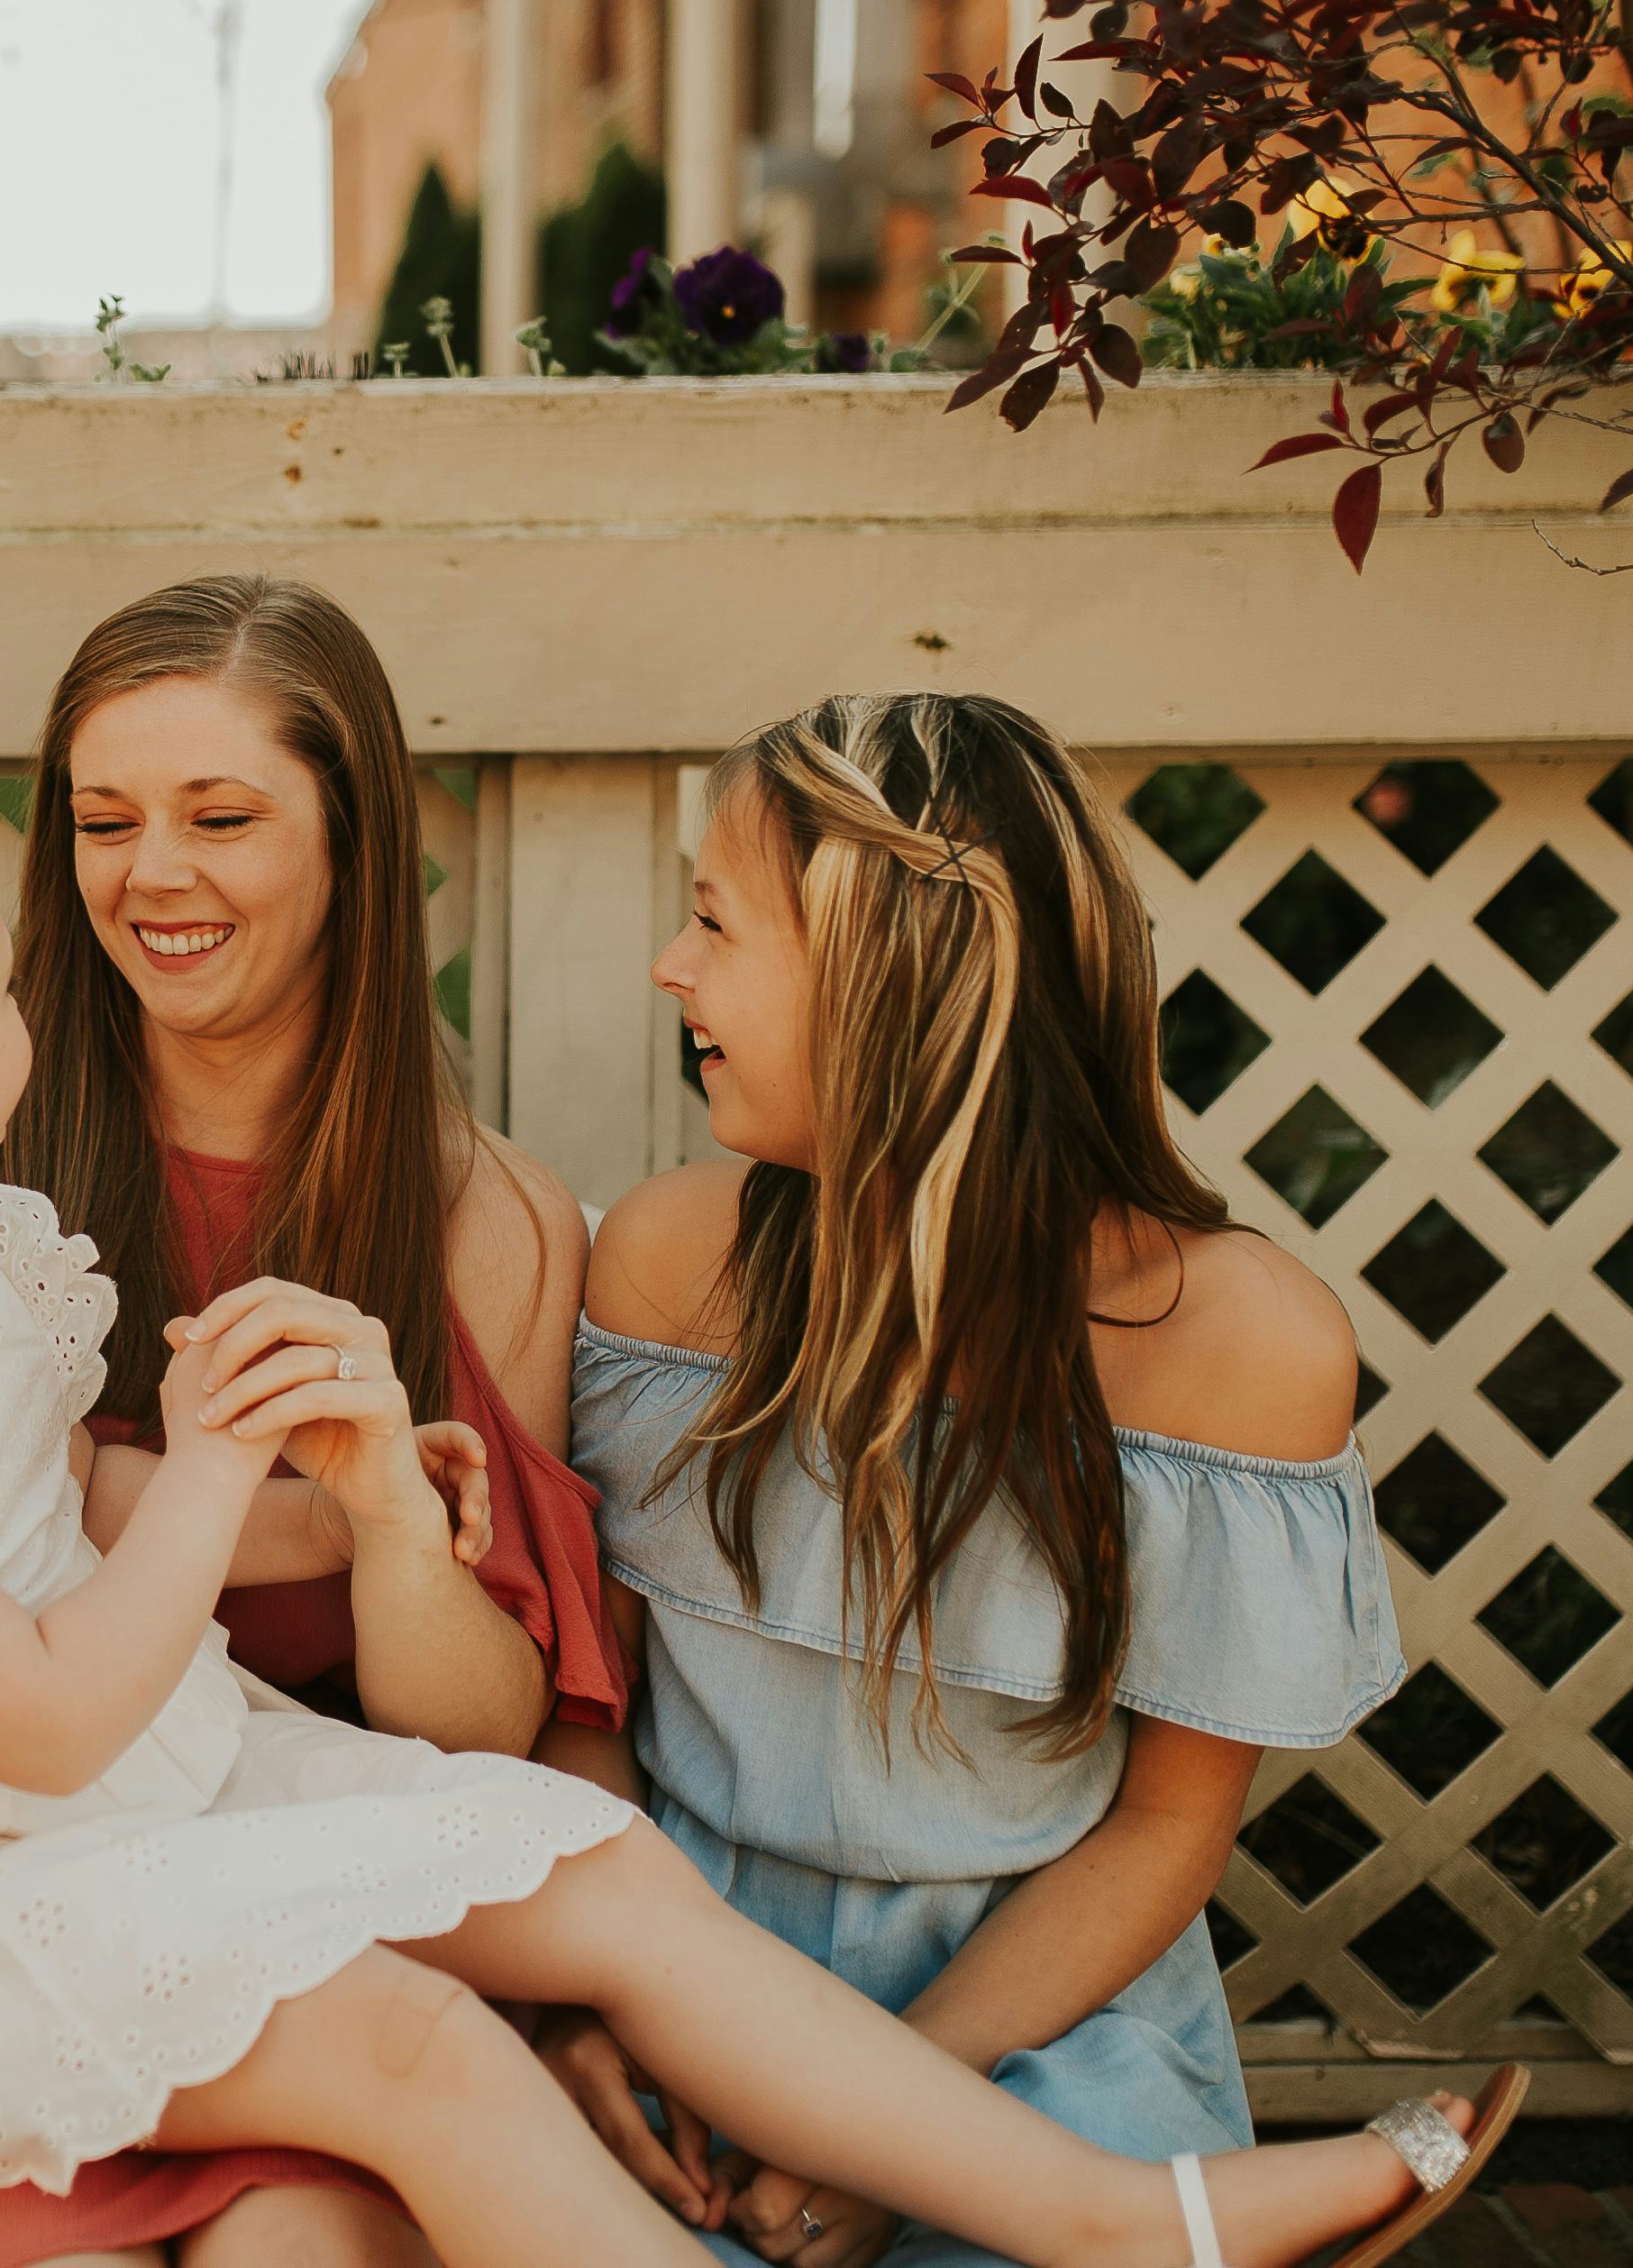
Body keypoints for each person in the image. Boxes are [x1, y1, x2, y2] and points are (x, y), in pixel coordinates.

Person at [0, 762, 1520, 2268]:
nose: (48, 989)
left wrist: (342, 1508)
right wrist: (206, 1464)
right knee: (422, 2053)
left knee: (607, 1871)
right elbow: (27, 1705)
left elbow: (39, 1505)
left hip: (126, 1812)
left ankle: (1103, 2217)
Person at [547, 695, 1423, 2268]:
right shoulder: (668, 1262)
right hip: (675, 1964)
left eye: (713, 922)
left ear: (890, 970)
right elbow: (587, 1707)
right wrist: (591, 1997)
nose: (671, 968)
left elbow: (1165, 1828)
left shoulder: (1235, 1344)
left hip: (1030, 2018)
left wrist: (886, 2120)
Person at [0, 572, 616, 2268]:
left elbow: (492, 1733)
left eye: (224, 816)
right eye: (106, 820)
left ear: (354, 843)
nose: (151, 874)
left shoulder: (495, 1229)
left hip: (336, 1950)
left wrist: (394, 1521)